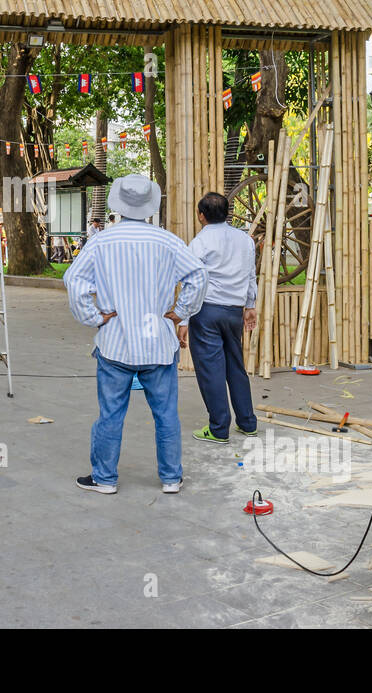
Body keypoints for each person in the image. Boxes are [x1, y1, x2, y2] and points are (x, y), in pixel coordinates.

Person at [63, 174, 206, 495]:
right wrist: (181, 312)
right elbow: (198, 275)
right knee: (166, 414)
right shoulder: (167, 241)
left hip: (115, 343)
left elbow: (74, 281)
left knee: (110, 415)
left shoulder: (101, 241)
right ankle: (171, 478)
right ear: (150, 205)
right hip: (159, 343)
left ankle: (104, 478)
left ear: (119, 205)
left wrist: (93, 316)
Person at [182, 192, 259, 443]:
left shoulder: (199, 242)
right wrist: (250, 305)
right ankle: (247, 422)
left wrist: (183, 319)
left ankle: (218, 428)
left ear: (201, 215)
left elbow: (192, 283)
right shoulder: (244, 240)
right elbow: (250, 275)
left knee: (211, 370)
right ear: (227, 213)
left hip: (208, 311)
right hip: (234, 312)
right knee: (236, 366)